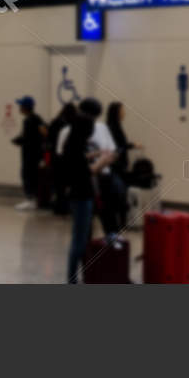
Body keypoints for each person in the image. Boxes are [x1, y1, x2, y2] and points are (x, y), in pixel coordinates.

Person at [58, 98, 117, 283]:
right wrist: (104, 161)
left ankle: (78, 275)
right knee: (80, 240)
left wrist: (96, 154)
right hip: (82, 195)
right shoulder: (75, 147)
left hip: (78, 194)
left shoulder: (73, 143)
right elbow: (88, 170)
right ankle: (73, 278)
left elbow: (81, 159)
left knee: (81, 237)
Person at [100, 101, 135, 235]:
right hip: (115, 168)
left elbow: (122, 145)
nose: (124, 113)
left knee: (120, 195)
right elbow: (116, 147)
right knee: (117, 195)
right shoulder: (112, 128)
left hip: (119, 167)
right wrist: (127, 147)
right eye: (122, 110)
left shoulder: (117, 127)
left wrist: (130, 145)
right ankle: (116, 225)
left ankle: (120, 224)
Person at [12, 96, 45, 210]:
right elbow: (44, 134)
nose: (19, 108)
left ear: (25, 107)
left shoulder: (29, 121)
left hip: (30, 154)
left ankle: (30, 199)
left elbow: (28, 138)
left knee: (28, 175)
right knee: (33, 176)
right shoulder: (38, 119)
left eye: (21, 106)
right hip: (37, 154)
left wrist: (18, 141)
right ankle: (34, 199)